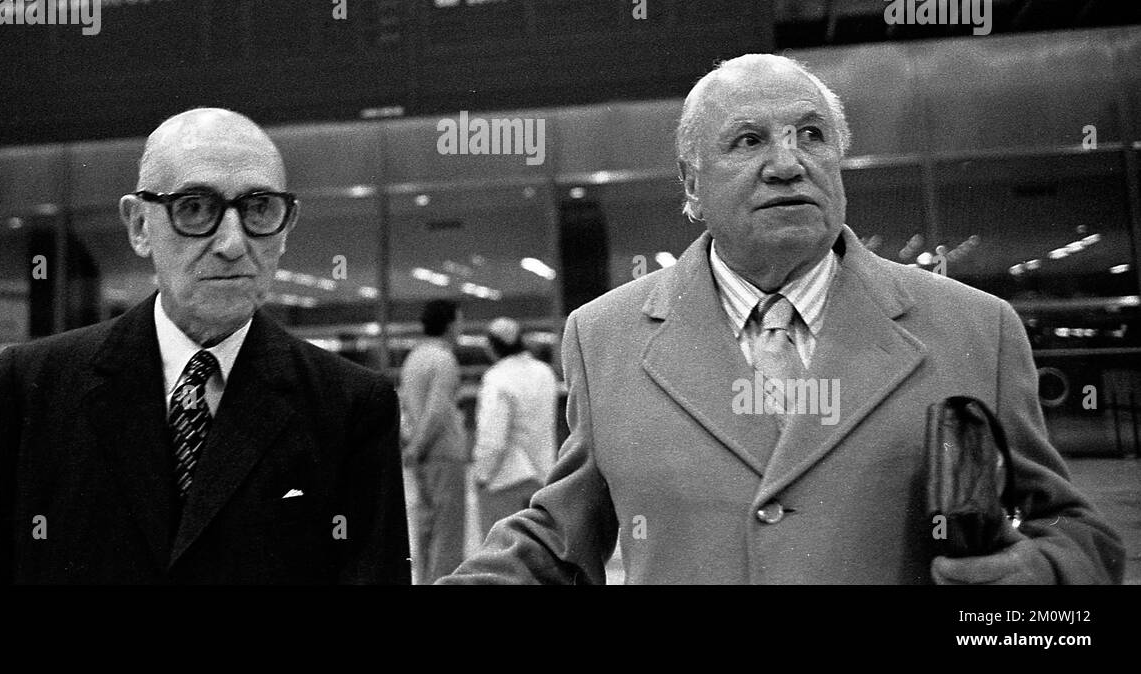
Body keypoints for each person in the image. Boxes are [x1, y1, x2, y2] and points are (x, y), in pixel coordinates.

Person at [442, 53, 1124, 584]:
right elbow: (561, 542)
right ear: (691, 183)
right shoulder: (605, 337)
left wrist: (1035, 573)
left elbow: (1078, 533)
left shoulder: (976, 329)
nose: (788, 163)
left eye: (812, 135)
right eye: (748, 140)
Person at [0, 108, 410, 584]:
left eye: (259, 208)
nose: (231, 243)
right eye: (195, 208)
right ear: (139, 225)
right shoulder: (34, 385)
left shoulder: (351, 406)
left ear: (286, 227)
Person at [399, 298, 466, 583]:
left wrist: (411, 445)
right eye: (460, 320)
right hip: (443, 453)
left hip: (421, 456)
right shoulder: (444, 359)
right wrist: (419, 446)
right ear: (450, 323)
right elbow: (437, 409)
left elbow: (405, 406)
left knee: (424, 530)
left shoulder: (413, 358)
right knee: (447, 533)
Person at [472, 317, 557, 539]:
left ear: (491, 347)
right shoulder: (544, 373)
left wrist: (482, 474)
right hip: (542, 476)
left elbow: (493, 438)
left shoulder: (497, 378)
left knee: (500, 555)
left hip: (504, 479)